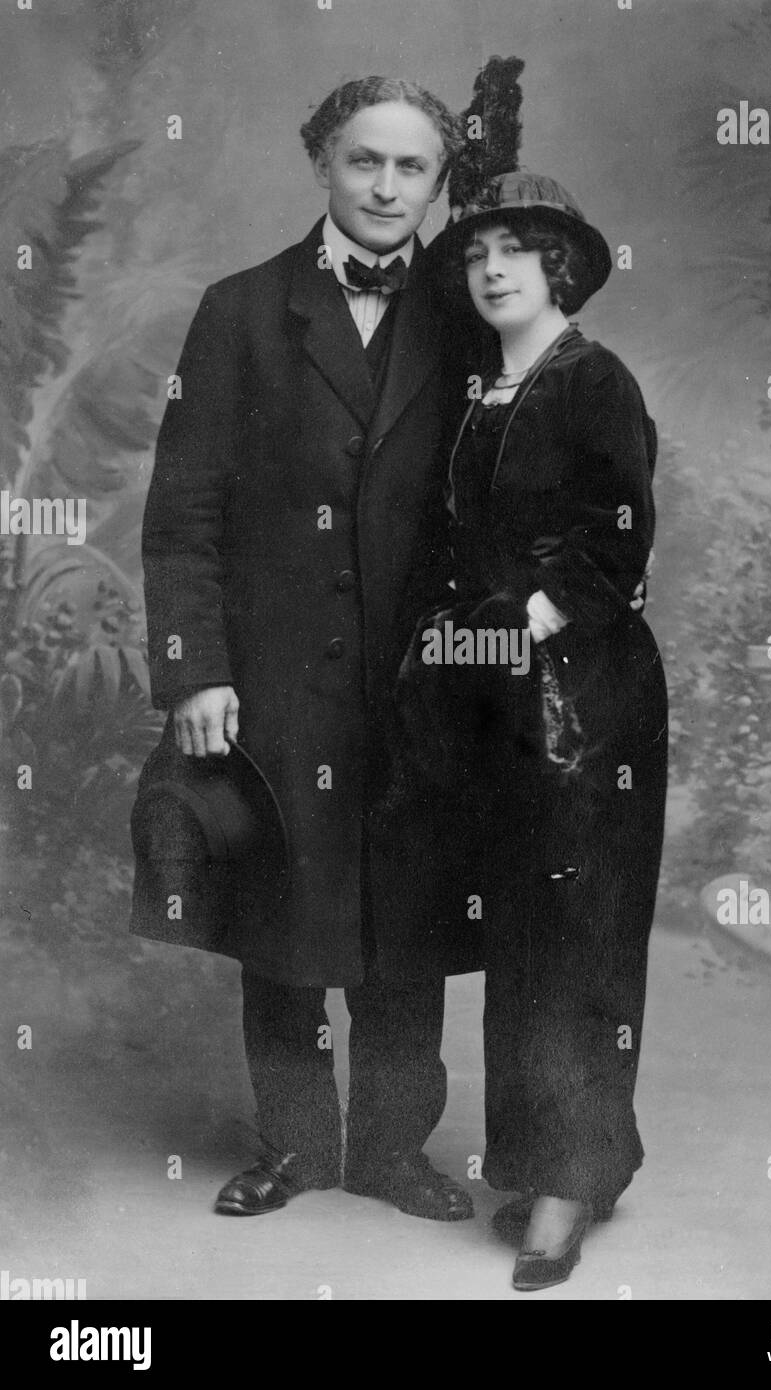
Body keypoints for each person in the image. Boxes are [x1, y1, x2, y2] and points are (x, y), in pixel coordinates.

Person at [138, 77, 483, 1223]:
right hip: (276, 677)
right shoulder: (239, 311)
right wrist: (194, 668)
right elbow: (183, 508)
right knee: (281, 917)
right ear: (322, 165)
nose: (387, 188)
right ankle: (294, 1145)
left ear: (439, 182)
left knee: (411, 919)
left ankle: (392, 1147)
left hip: (422, 683)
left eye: (412, 168)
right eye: (363, 162)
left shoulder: (471, 313)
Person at [415, 171, 668, 1288]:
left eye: (517, 250)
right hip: (503, 698)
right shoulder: (486, 388)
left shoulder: (591, 380)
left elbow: (614, 544)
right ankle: (537, 1156)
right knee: (522, 937)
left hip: (586, 705)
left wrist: (519, 621)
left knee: (581, 938)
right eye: (476, 255)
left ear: (558, 265)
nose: (493, 270)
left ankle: (572, 1181)